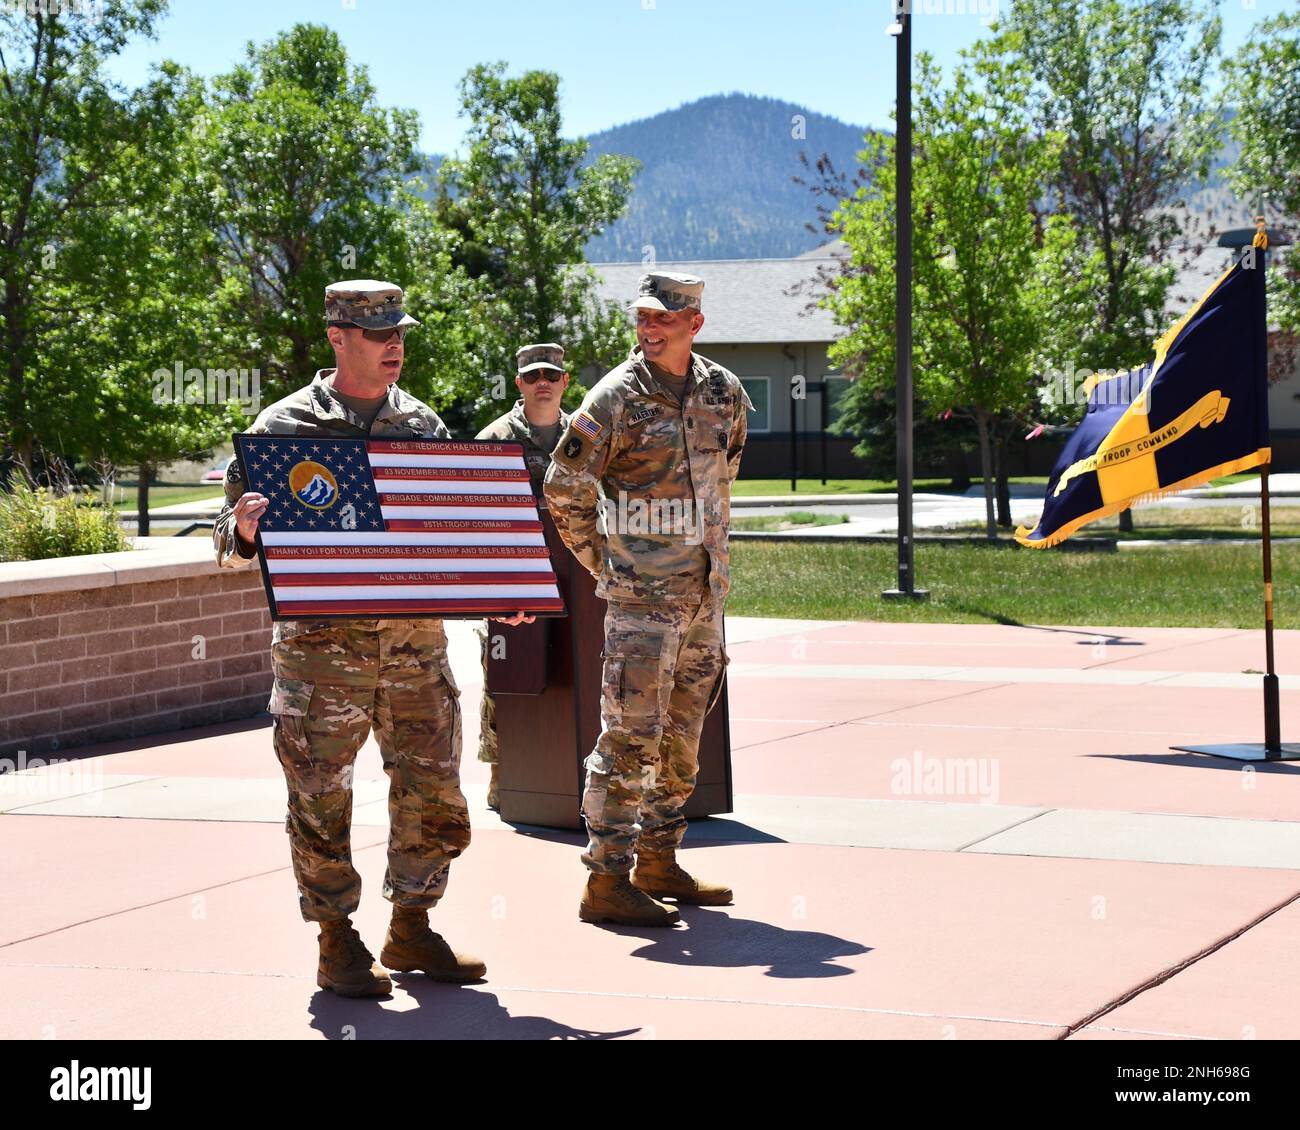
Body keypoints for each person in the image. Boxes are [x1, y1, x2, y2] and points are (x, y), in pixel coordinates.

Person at [213, 279, 490, 997]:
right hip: (320, 660)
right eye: (380, 334)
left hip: (414, 654)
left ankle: (412, 926)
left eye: (401, 332)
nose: (395, 344)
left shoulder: (424, 427)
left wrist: (501, 592)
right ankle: (337, 940)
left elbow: (453, 538)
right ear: (339, 336)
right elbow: (225, 539)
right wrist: (242, 530)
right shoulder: (282, 429)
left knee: (433, 792)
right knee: (319, 799)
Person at [543, 271, 752, 927]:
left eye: (664, 317)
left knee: (683, 738)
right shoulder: (614, 397)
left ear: (695, 323)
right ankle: (606, 880)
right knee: (629, 738)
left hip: (704, 596)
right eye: (642, 316)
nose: (650, 326)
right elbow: (563, 486)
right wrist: (607, 561)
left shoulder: (724, 392)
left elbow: (727, 472)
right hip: (642, 601)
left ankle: (658, 861)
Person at [474, 343, 572, 810]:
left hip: (575, 578)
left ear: (565, 381)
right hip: (510, 580)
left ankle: (564, 766)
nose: (542, 383)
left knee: (570, 672)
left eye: (551, 375)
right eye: (533, 376)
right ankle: (503, 771)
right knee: (505, 677)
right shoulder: (494, 438)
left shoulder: (585, 435)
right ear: (519, 384)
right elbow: (470, 511)